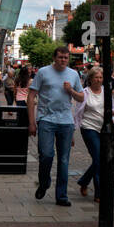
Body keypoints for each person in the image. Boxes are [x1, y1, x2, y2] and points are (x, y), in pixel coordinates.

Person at [28, 47, 84, 206]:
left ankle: (62, 196)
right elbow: (31, 96)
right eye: (60, 57)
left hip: (66, 122)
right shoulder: (43, 72)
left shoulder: (73, 74)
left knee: (64, 160)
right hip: (46, 119)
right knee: (46, 155)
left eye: (66, 58)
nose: (63, 60)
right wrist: (31, 122)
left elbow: (81, 97)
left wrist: (70, 90)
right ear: (54, 58)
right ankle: (44, 183)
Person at [74, 67, 105, 201]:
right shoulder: (85, 93)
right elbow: (77, 112)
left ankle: (84, 181)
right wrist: (73, 131)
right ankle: (99, 193)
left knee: (100, 160)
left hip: (103, 129)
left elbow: (113, 108)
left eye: (100, 77)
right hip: (88, 127)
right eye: (96, 77)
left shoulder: (106, 92)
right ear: (90, 79)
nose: (98, 80)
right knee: (98, 159)